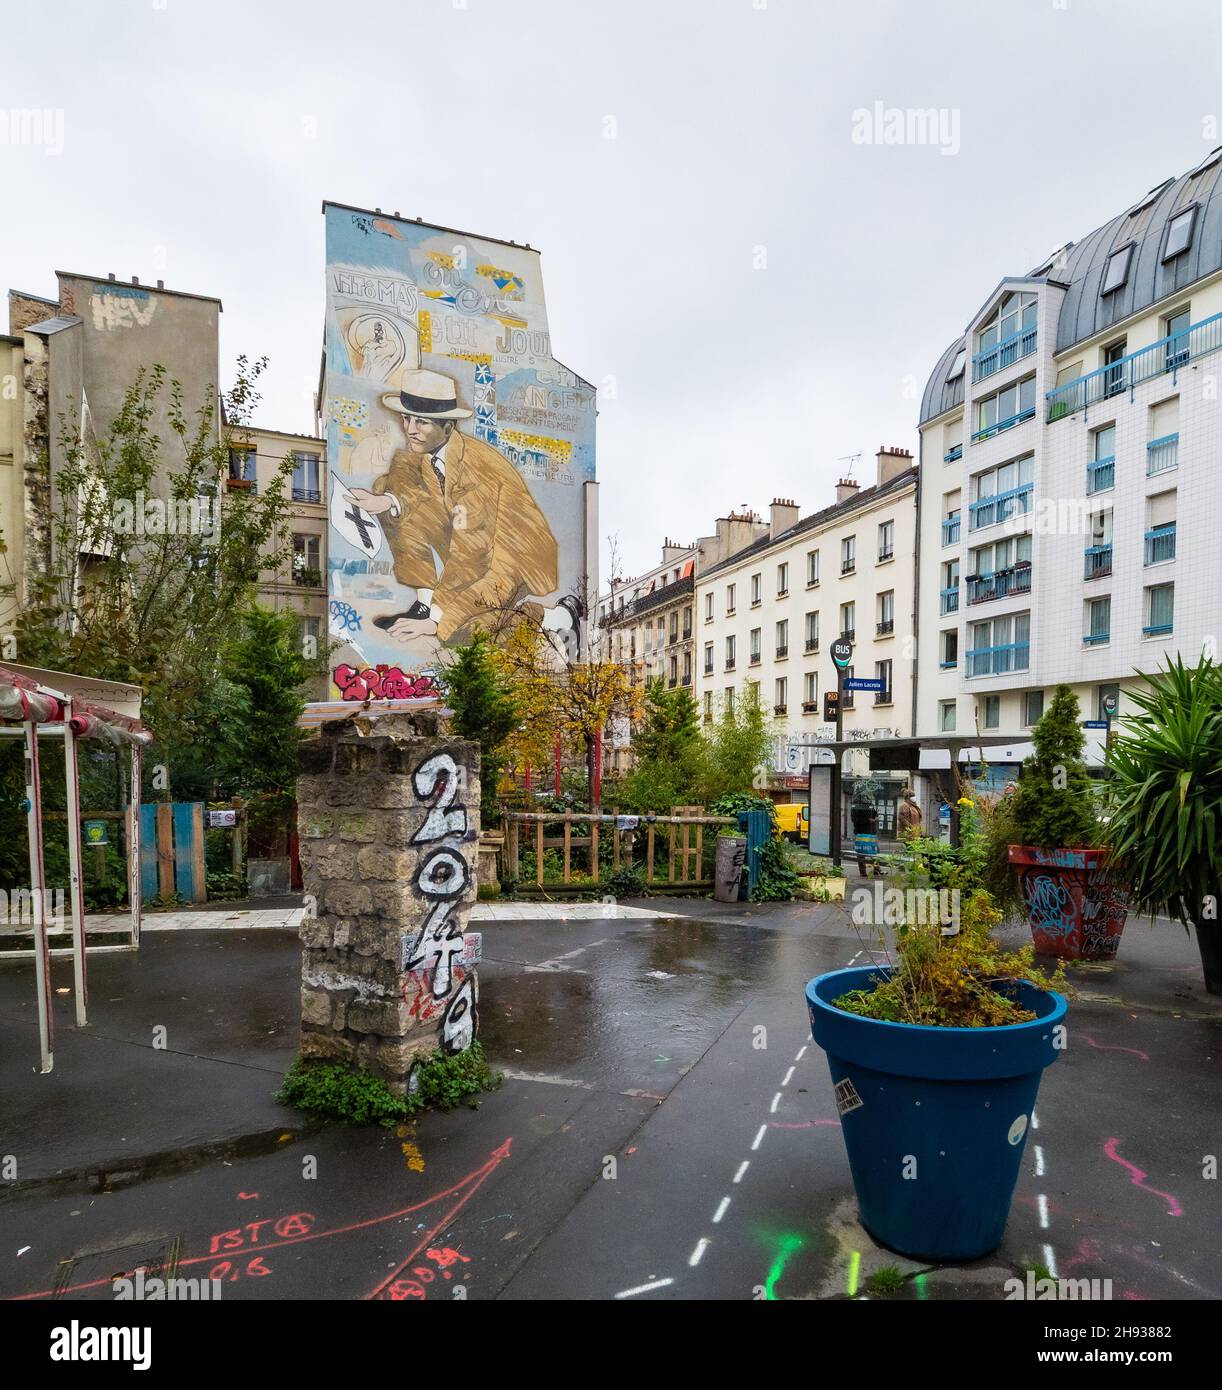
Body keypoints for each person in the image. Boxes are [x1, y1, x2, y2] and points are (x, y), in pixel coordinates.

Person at [344, 369, 559, 645]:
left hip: (514, 558)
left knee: (457, 634)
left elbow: (471, 555)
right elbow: (410, 486)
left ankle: (549, 616)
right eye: (407, 418)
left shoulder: (475, 471)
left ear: (447, 428)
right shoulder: (426, 452)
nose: (410, 429)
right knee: (387, 490)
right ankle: (424, 603)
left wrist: (437, 620)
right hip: (470, 540)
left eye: (421, 422)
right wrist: (387, 501)